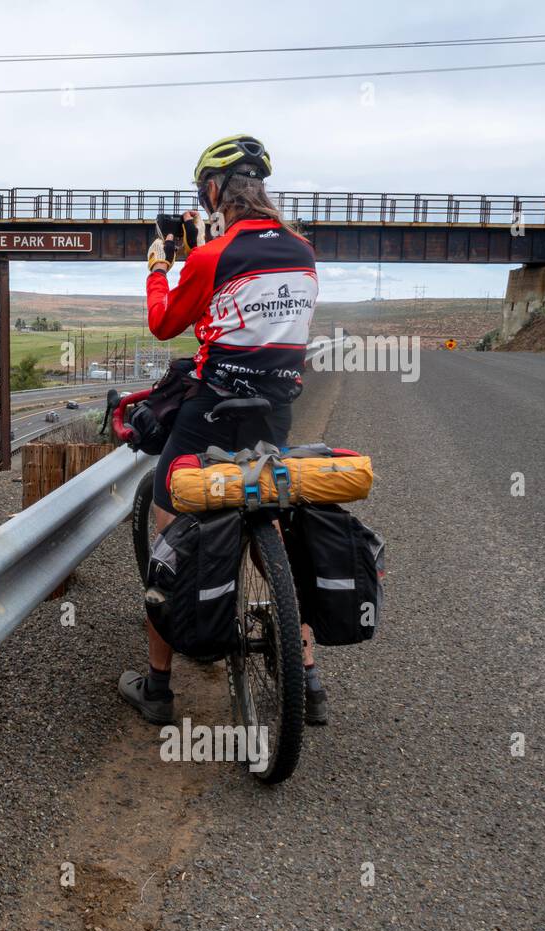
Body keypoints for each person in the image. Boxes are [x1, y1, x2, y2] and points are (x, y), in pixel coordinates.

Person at [119, 134, 330, 726]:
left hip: (210, 411)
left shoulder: (211, 257)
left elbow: (165, 324)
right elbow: (256, 300)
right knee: (275, 531)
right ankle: (306, 674)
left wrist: (161, 266)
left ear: (214, 191)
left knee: (172, 540)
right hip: (273, 410)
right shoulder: (303, 252)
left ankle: (158, 688)